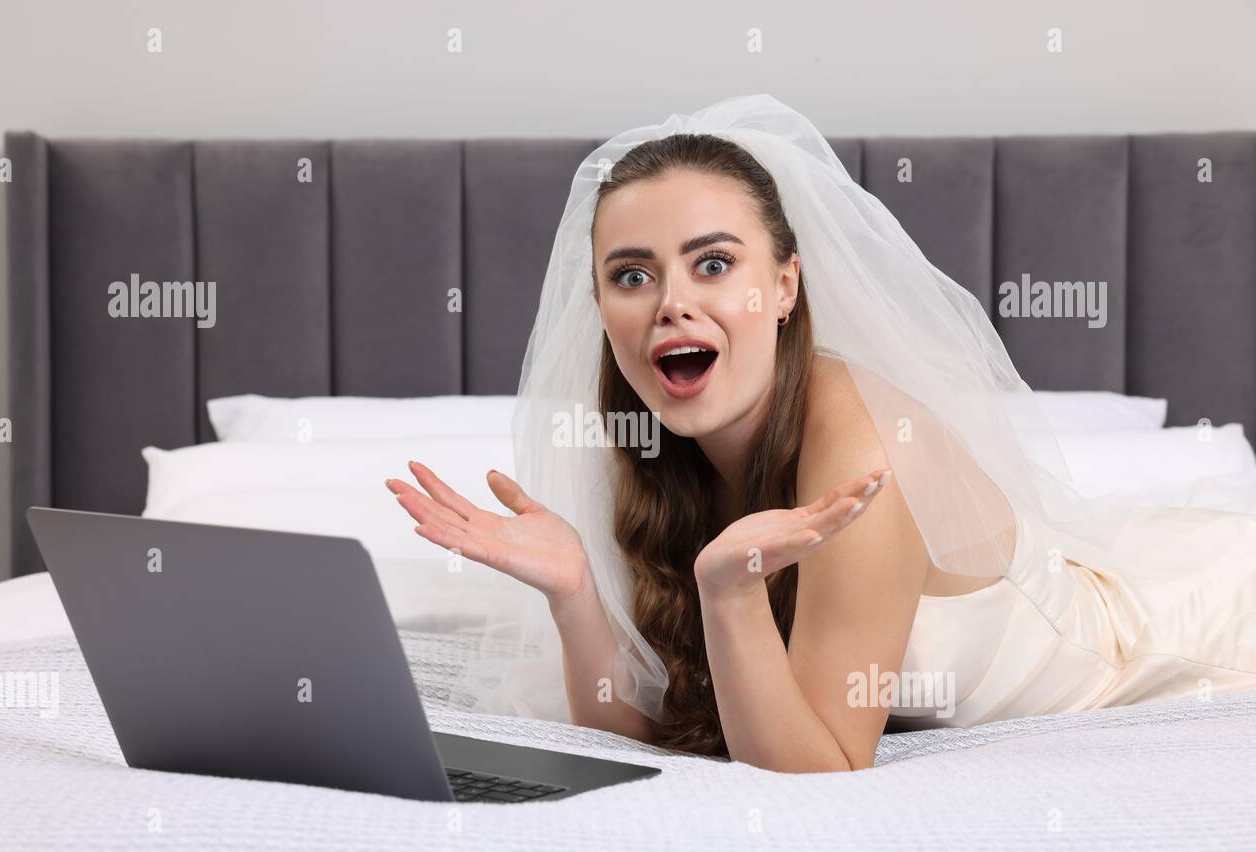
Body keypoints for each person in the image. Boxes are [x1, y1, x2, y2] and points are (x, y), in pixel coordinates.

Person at [385, 94, 1256, 773]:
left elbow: (820, 764)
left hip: (1189, 631)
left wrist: (728, 594)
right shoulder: (652, 435)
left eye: (715, 263)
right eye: (632, 274)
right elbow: (668, 726)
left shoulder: (864, 446)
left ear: (788, 284)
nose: (671, 302)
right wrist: (575, 592)